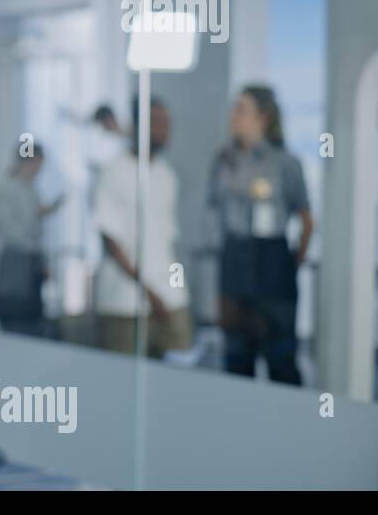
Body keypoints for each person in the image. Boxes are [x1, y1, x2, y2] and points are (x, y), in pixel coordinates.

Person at [207, 84, 311, 385]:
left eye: (241, 109)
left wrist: (291, 265)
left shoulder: (285, 164)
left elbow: (306, 219)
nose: (233, 115)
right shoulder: (223, 161)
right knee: (237, 362)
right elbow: (213, 217)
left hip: (273, 266)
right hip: (234, 266)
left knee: (281, 363)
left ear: (263, 117)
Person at [93, 98, 192, 358]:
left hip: (168, 297)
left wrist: (171, 292)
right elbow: (111, 242)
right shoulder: (114, 172)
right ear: (139, 126)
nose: (164, 130)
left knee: (177, 373)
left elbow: (167, 241)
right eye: (157, 123)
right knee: (122, 381)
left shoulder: (167, 175)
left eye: (167, 123)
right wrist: (148, 292)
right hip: (125, 301)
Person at [0, 142, 61, 338]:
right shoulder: (7, 187)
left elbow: (37, 233)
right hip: (15, 263)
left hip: (31, 262)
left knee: (33, 321)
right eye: (38, 164)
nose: (40, 169)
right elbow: (6, 228)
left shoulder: (31, 188)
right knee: (16, 322)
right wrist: (37, 213)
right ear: (30, 162)